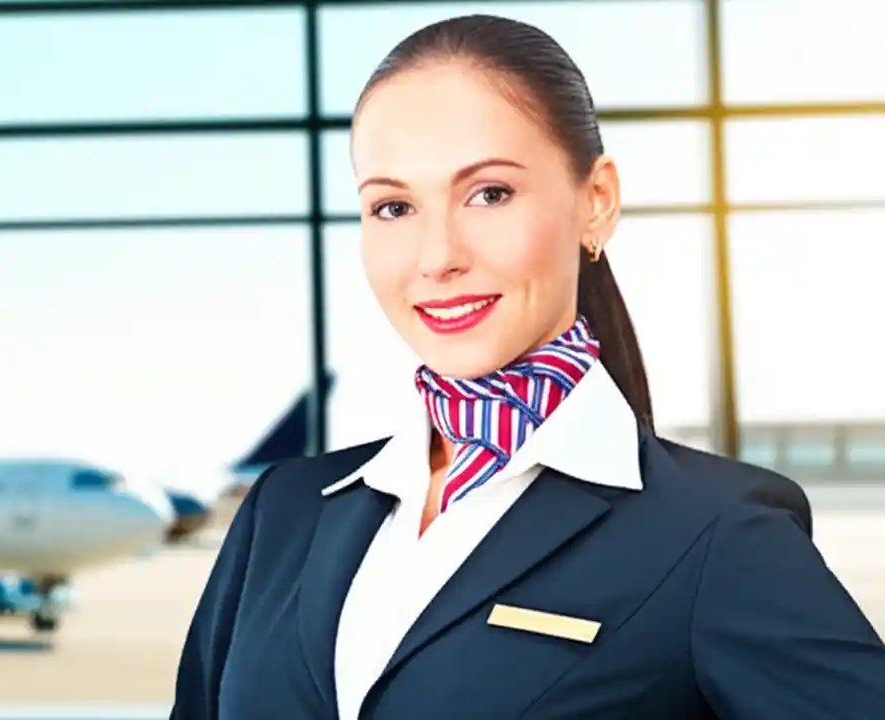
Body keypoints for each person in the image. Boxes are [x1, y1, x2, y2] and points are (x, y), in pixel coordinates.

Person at [170, 13, 885, 720]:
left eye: (489, 194)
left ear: (596, 202)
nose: (437, 256)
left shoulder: (716, 532)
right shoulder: (283, 511)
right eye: (392, 207)